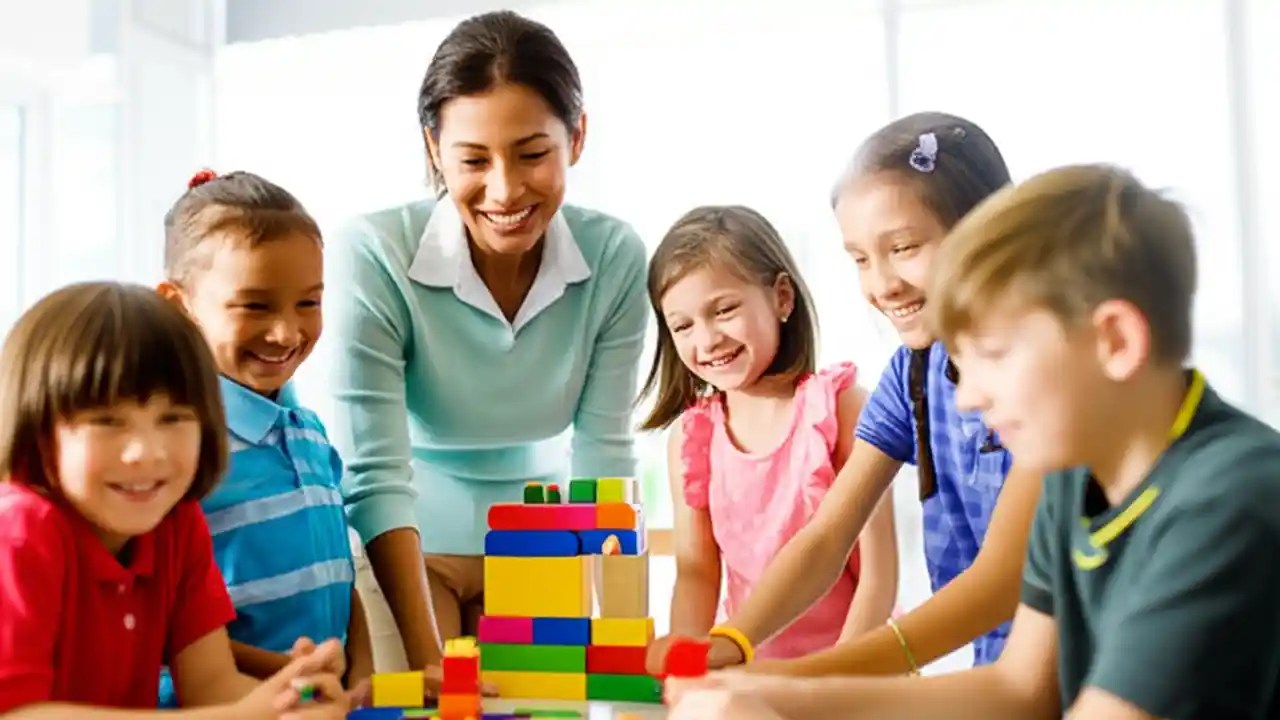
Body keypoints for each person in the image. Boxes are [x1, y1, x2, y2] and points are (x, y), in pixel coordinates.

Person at [670, 164, 1280, 719]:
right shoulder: (1075, 473)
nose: (966, 398)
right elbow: (1015, 690)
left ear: (1115, 341)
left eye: (992, 355)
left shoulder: (1228, 503)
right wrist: (773, 692)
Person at [648, 112, 1042, 676]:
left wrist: (795, 681)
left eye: (903, 247)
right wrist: (735, 641)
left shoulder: (1050, 379)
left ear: (990, 230)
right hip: (1003, 669)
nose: (881, 285)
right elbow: (826, 536)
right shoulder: (912, 374)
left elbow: (998, 583)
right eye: (859, 259)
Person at [327, 9, 649, 674]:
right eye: (473, 160)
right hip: (406, 549)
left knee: (541, 706)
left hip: (538, 543)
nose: (505, 191)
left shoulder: (614, 255)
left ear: (577, 137)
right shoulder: (375, 251)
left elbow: (603, 451)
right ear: (433, 149)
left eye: (533, 154)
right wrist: (429, 671)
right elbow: (376, 473)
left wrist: (619, 638)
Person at [0, 281, 350, 718]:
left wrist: (296, 699)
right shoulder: (19, 533)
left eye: (173, 419)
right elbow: (16, 713)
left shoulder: (176, 523)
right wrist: (244, 715)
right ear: (37, 432)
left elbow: (212, 686)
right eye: (108, 421)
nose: (148, 452)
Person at [639, 205, 898, 662]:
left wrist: (835, 684)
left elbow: (878, 580)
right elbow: (698, 571)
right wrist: (687, 662)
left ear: (782, 298)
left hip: (853, 674)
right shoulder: (692, 438)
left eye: (723, 310)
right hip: (751, 674)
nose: (707, 339)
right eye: (682, 325)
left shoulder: (841, 410)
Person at [155, 169, 372, 705]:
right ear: (178, 305)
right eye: (254, 305)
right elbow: (163, 627)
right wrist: (294, 676)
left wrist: (364, 686)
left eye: (309, 302)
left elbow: (339, 580)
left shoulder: (310, 435)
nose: (286, 332)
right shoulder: (176, 453)